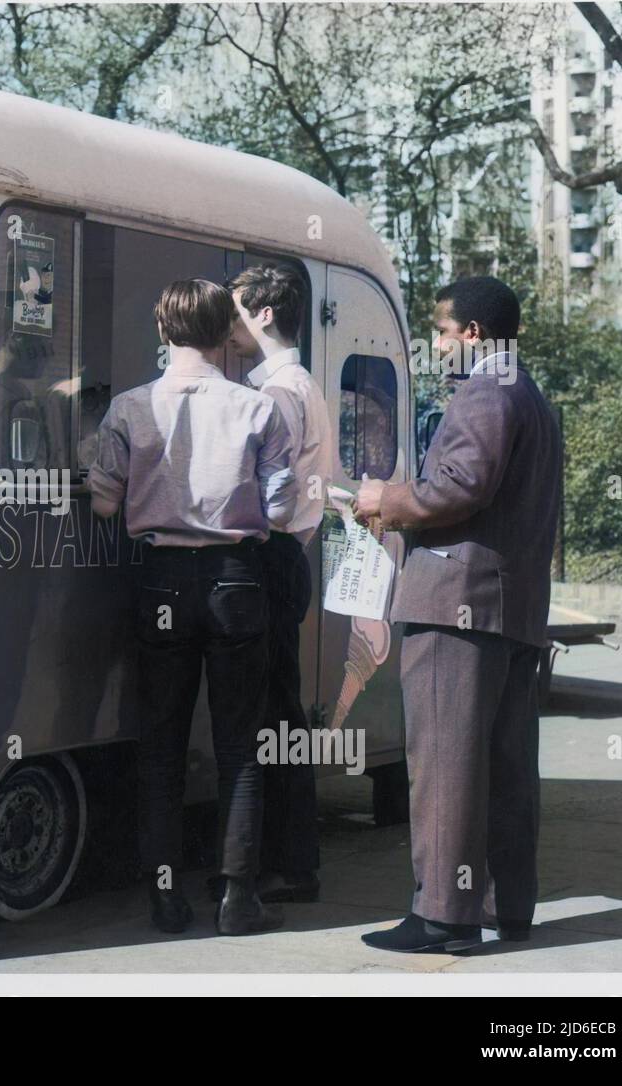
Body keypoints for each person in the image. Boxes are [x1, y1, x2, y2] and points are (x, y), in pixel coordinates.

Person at [353, 276, 561, 953]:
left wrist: (385, 497)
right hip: (512, 608)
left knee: (444, 763)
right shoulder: (531, 395)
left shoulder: (485, 391)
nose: (437, 345)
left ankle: (443, 915)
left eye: (441, 332)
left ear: (472, 333)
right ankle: (508, 905)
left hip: (456, 605)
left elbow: (459, 487)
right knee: (503, 767)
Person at [89, 277, 296, 936]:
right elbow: (285, 509)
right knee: (240, 747)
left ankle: (165, 897)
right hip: (237, 578)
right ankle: (238, 898)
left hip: (162, 581)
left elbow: (103, 503)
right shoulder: (259, 409)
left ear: (161, 330)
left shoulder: (128, 408)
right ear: (222, 333)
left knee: (160, 747)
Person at [226, 264, 334, 905]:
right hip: (288, 553)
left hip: (270, 553)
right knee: (278, 708)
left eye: (237, 311)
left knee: (272, 712)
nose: (229, 326)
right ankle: (287, 859)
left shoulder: (276, 392)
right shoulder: (298, 384)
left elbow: (278, 488)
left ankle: (289, 862)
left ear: (264, 315)